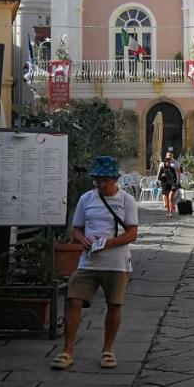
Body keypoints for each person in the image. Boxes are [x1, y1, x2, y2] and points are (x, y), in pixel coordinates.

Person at [52, 156, 138, 371]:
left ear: (114, 179)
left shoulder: (126, 200)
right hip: (88, 262)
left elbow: (132, 233)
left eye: (105, 180)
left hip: (116, 262)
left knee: (114, 305)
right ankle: (67, 351)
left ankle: (108, 350)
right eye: (98, 180)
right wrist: (83, 241)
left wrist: (108, 243)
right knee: (73, 300)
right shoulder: (86, 199)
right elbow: (77, 229)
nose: (101, 184)